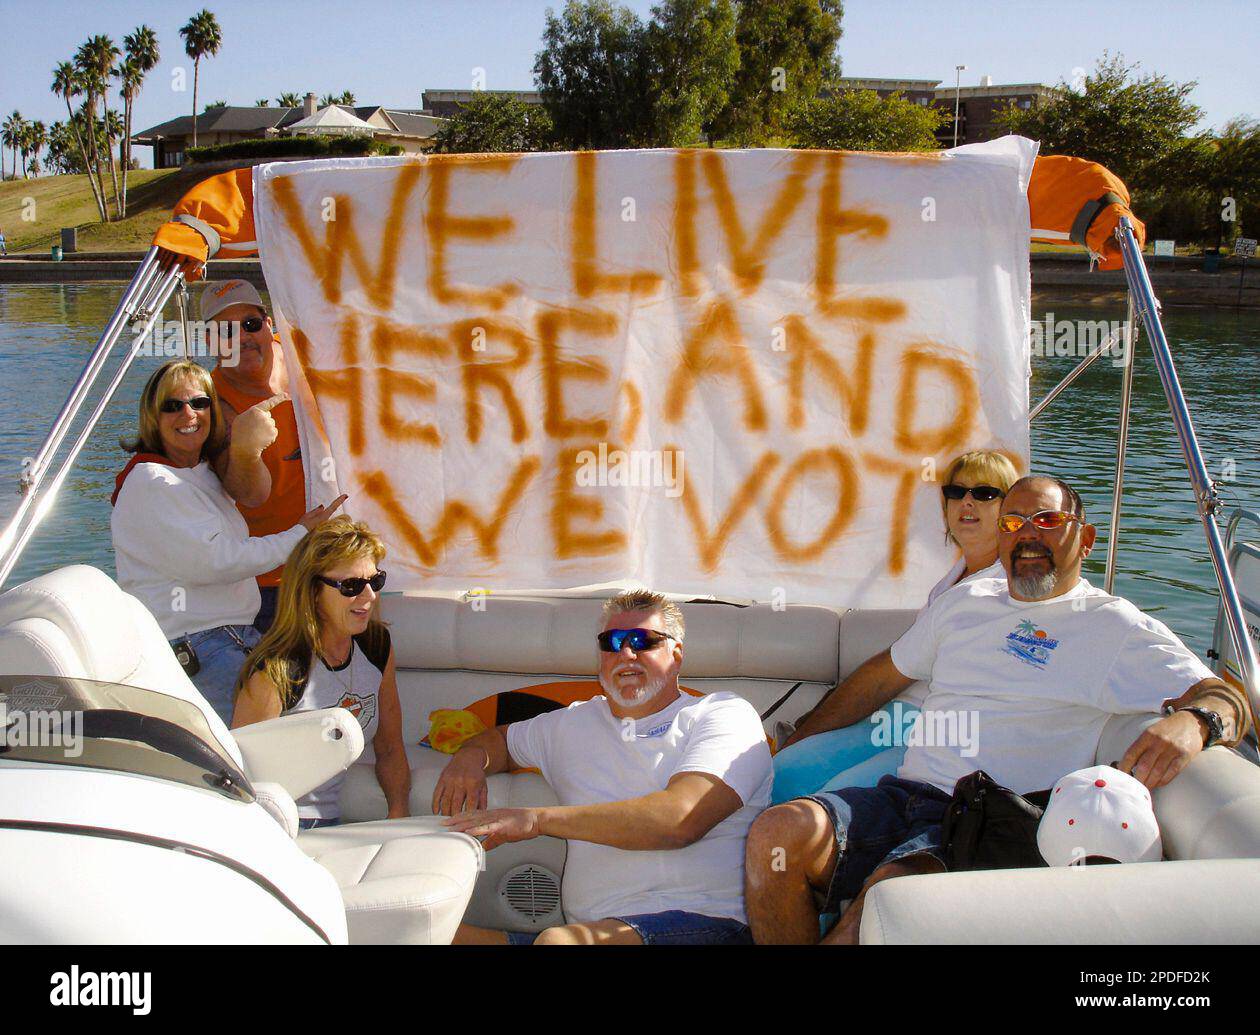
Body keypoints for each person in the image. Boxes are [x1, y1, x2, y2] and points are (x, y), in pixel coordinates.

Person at [744, 475, 1251, 945]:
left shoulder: (1114, 628)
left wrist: (1195, 722)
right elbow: (880, 678)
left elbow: (1230, 697)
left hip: (994, 819)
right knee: (775, 836)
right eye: (1012, 522)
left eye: (1046, 521)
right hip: (907, 797)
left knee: (886, 895)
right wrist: (804, 733)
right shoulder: (966, 602)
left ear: (1087, 539)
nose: (1027, 534)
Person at [436, 590, 773, 945]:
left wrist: (536, 820)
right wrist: (468, 760)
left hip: (708, 924)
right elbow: (501, 742)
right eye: (611, 642)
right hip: (594, 931)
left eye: (643, 641)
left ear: (676, 654)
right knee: (418, 933)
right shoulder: (572, 724)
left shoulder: (723, 714)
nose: (626, 653)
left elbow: (680, 821)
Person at [772, 449, 1018, 799]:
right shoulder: (951, 580)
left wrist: (810, 726)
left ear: (1010, 509)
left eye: (984, 493)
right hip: (900, 715)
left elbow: (883, 678)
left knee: (832, 796)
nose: (967, 502)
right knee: (785, 772)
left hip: (945, 730)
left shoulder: (998, 589)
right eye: (956, 492)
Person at [110, 360, 343, 726]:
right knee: (269, 742)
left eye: (200, 403)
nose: (188, 413)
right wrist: (300, 534)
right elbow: (219, 561)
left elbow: (253, 496)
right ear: (152, 417)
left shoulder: (198, 474)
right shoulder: (152, 482)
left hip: (235, 637)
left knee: (314, 715)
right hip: (197, 646)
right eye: (173, 405)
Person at [232, 517, 410, 830]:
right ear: (313, 592)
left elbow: (390, 747)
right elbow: (242, 781)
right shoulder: (277, 670)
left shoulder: (376, 645)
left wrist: (398, 816)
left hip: (332, 821)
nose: (368, 596)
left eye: (375, 581)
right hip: (283, 825)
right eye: (351, 586)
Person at [201, 279, 307, 634]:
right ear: (210, 343)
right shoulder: (210, 405)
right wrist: (246, 448)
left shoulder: (304, 356)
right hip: (267, 583)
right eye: (226, 330)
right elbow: (250, 494)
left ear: (269, 325)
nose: (243, 337)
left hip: (333, 562)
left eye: (250, 324)